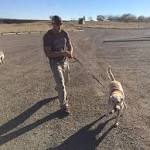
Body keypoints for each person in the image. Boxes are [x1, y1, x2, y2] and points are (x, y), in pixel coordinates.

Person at [43, 15, 73, 114]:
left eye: (60, 24)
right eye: (56, 24)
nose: (59, 26)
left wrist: (70, 52)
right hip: (54, 62)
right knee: (61, 84)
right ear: (52, 24)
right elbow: (48, 53)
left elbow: (69, 45)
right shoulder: (47, 36)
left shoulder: (64, 33)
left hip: (64, 61)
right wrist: (63, 53)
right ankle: (64, 106)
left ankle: (58, 88)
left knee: (66, 81)